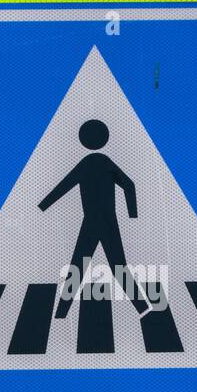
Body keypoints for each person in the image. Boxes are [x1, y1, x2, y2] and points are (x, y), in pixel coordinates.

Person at [38, 119, 150, 319]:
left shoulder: (87, 163)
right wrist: (132, 213)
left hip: (91, 222)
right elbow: (129, 185)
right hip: (108, 221)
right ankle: (142, 308)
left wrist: (43, 206)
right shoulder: (105, 162)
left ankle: (61, 313)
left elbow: (64, 186)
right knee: (118, 268)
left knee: (78, 269)